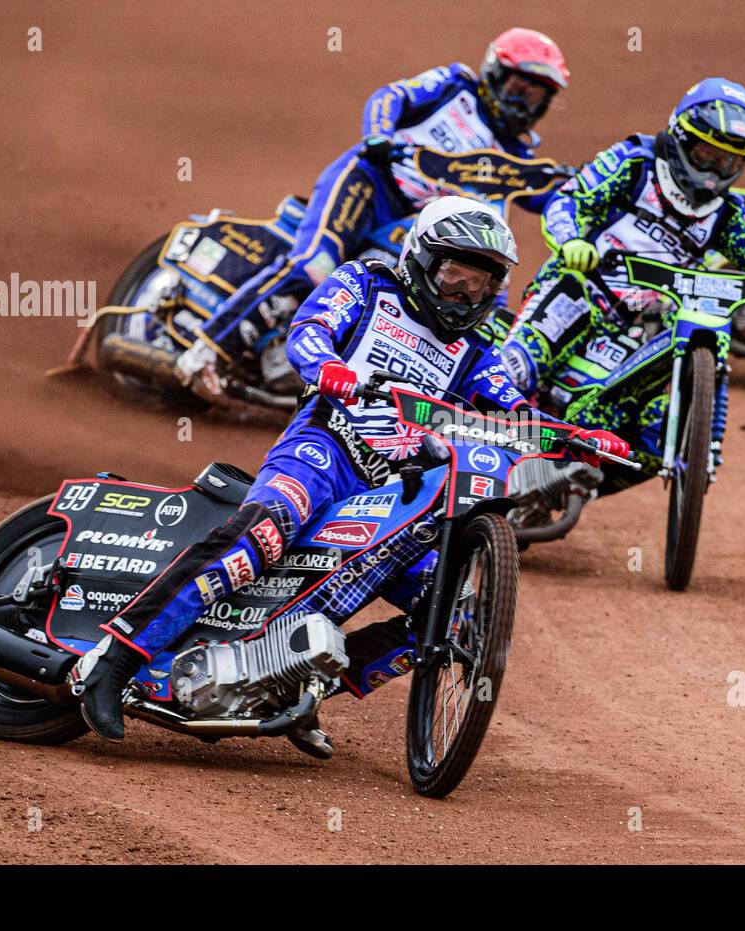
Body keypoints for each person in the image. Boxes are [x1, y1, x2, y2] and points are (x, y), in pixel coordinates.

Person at [71, 197, 629, 754]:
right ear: (421, 260)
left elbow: (511, 411)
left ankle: (296, 688)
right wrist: (329, 370)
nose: (467, 295)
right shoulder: (365, 283)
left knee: (451, 613)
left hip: (392, 490)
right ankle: (115, 660)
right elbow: (308, 330)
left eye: (482, 285)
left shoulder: (477, 351)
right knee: (260, 536)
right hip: (322, 450)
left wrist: (576, 438)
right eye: (456, 275)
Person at [175, 28, 572, 389]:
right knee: (315, 266)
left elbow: (540, 205)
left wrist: (583, 191)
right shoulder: (454, 86)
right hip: (371, 182)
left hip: (415, 227)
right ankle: (205, 351)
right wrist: (379, 137)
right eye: (520, 87)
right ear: (495, 72)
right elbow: (392, 96)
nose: (524, 103)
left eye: (537, 95)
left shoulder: (517, 161)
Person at [500, 78, 745, 485]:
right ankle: (452, 452)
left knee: (638, 423)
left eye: (730, 163)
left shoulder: (726, 211)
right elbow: (569, 199)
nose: (716, 173)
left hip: (648, 321)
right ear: (681, 136)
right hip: (585, 289)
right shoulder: (635, 162)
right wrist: (572, 241)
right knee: (515, 373)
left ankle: (567, 475)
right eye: (708, 155)